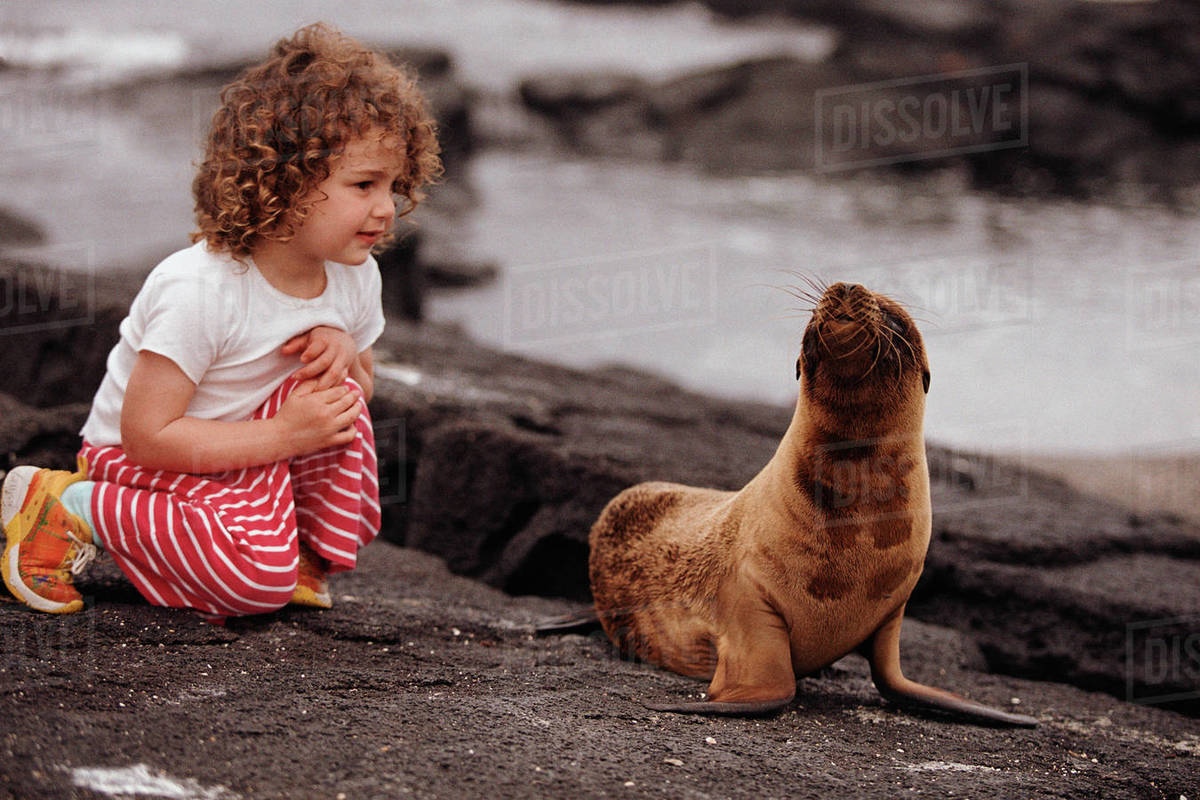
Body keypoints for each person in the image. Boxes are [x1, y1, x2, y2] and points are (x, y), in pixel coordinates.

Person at [0, 23, 441, 617]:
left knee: (342, 410)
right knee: (253, 585)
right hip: (143, 462)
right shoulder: (202, 289)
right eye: (363, 184)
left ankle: (298, 550)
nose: (387, 209)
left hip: (249, 452)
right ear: (283, 181)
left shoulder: (354, 275)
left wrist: (340, 350)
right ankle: (68, 506)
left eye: (395, 185)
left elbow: (358, 395)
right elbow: (147, 437)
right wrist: (286, 435)